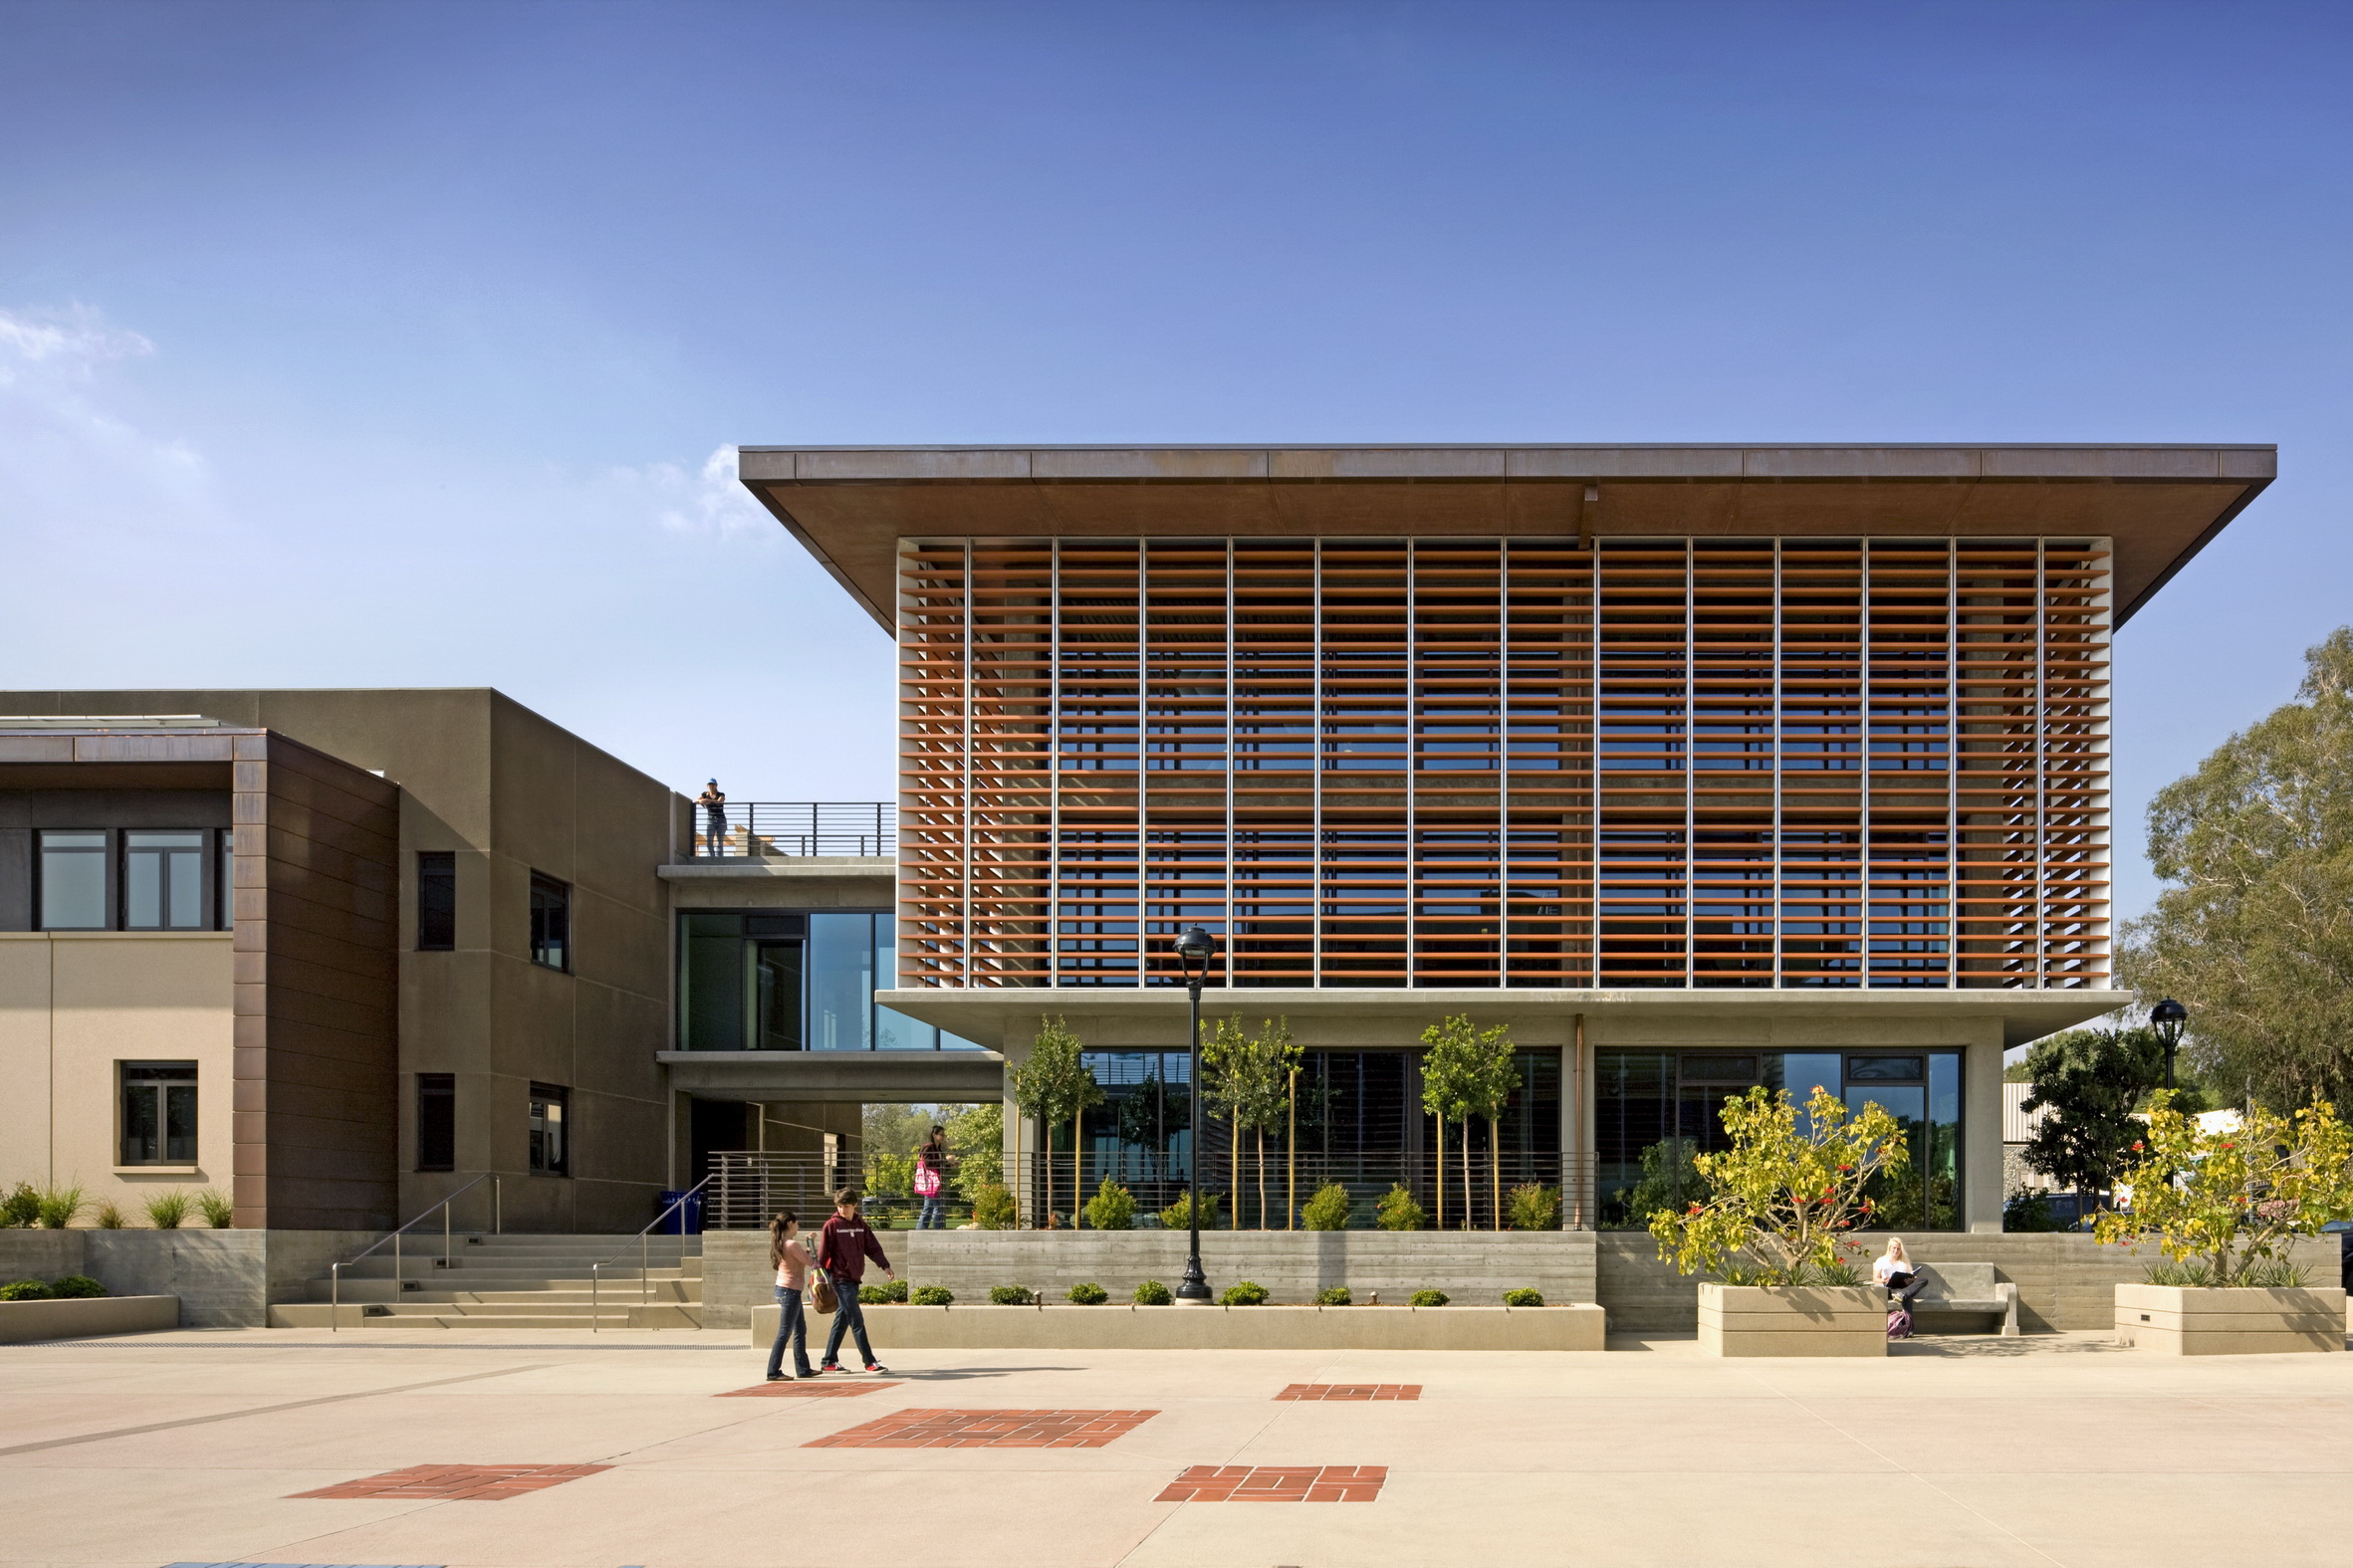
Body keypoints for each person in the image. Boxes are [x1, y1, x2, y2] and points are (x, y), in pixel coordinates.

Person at [815, 1187, 894, 1375]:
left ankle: (828, 1361)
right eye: (840, 1206)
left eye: (847, 1206)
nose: (843, 1210)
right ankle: (869, 1362)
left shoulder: (860, 1224)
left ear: (855, 1206)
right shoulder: (831, 1225)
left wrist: (884, 1265)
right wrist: (821, 1281)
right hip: (839, 1280)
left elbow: (872, 1246)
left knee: (842, 1321)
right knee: (856, 1320)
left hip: (854, 1279)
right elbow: (823, 1254)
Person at [764, 1211, 815, 1382]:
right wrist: (812, 1243)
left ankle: (803, 1368)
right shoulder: (791, 1244)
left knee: (800, 1329)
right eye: (797, 1224)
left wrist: (807, 1248)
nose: (798, 1227)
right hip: (790, 1291)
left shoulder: (783, 1243)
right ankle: (773, 1371)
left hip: (786, 1290)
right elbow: (812, 1262)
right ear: (791, 1224)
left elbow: (801, 1258)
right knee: (785, 1332)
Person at [913, 1125, 953, 1231]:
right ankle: (938, 1232)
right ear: (934, 1135)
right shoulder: (929, 1147)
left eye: (944, 1135)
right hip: (931, 1183)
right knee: (939, 1207)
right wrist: (945, 1160)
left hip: (934, 1183)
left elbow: (938, 1166)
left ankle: (919, 1232)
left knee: (928, 1209)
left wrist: (950, 1165)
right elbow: (928, 1163)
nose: (943, 1137)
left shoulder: (938, 1149)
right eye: (941, 1135)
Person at [1873, 1236, 1927, 1310]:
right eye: (1894, 1248)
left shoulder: (1903, 1263)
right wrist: (1883, 1280)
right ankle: (1903, 1295)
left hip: (1902, 1288)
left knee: (1924, 1280)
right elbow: (1875, 1279)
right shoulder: (1881, 1260)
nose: (1896, 1250)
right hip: (1889, 1288)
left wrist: (1912, 1278)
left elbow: (1907, 1276)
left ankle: (1902, 1295)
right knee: (1908, 1298)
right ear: (1889, 1248)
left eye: (1898, 1249)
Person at [697, 780, 727, 856]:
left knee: (719, 841)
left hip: (721, 819)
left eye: (713, 784)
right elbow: (696, 800)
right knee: (709, 840)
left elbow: (719, 801)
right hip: (710, 819)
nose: (711, 786)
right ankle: (711, 857)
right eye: (709, 785)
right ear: (707, 786)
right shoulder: (704, 794)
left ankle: (719, 859)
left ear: (716, 785)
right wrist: (700, 801)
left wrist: (706, 800)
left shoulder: (721, 794)